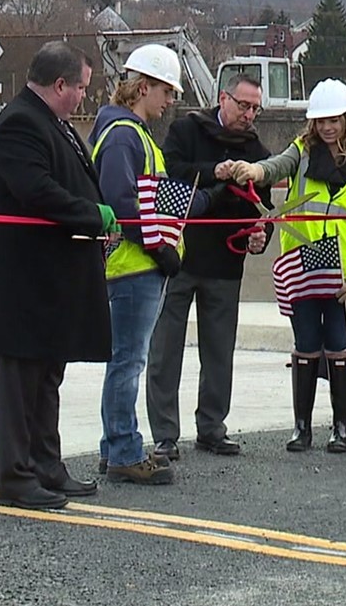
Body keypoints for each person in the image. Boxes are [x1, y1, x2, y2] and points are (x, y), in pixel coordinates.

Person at [0, 41, 115, 510]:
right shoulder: (19, 124)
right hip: (20, 281)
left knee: (47, 374)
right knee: (18, 381)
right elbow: (37, 192)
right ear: (59, 85)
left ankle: (46, 465)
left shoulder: (55, 124)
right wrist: (94, 215)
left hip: (50, 281)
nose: (83, 98)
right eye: (81, 89)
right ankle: (13, 475)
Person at [232, 78, 346, 453]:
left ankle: (340, 428)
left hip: (345, 273)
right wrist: (253, 172)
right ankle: (302, 427)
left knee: (339, 346)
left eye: (334, 120)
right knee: (306, 346)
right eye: (320, 121)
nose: (327, 127)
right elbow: (275, 166)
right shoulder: (301, 151)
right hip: (303, 266)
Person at [90, 44, 218, 483]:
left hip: (135, 263)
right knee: (128, 360)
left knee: (125, 360)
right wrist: (158, 247)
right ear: (142, 87)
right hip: (133, 266)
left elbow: (148, 196)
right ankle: (124, 451)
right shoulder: (125, 135)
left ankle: (116, 446)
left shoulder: (129, 133)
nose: (169, 102)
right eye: (165, 91)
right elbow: (123, 201)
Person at [144, 73, 271, 460]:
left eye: (255, 108)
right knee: (166, 349)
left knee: (220, 351)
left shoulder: (256, 148)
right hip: (178, 256)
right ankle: (165, 434)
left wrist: (257, 235)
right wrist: (214, 172)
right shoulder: (186, 129)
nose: (249, 115)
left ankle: (212, 427)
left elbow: (260, 205)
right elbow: (171, 173)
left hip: (225, 262)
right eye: (244, 105)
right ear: (223, 99)